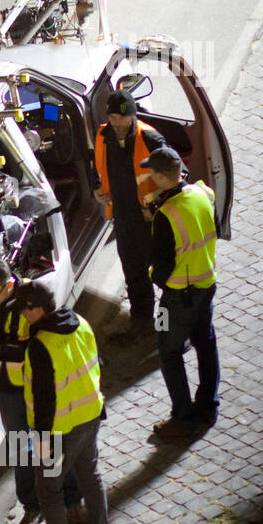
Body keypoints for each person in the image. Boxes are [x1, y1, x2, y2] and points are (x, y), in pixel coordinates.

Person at [0, 261, 82, 524]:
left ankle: (72, 501)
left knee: (52, 442)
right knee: (20, 447)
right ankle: (31, 505)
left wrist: (4, 348)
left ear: (9, 285)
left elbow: (44, 341)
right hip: (6, 388)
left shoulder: (31, 297)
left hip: (36, 385)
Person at [14, 281, 110, 524]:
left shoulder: (41, 345)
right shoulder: (80, 322)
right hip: (90, 415)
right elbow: (97, 364)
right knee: (90, 477)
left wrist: (41, 441)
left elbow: (44, 400)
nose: (23, 316)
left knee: (49, 491)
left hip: (59, 431)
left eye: (25, 310)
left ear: (37, 309)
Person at [142, 146, 221, 441]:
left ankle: (183, 419)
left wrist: (152, 275)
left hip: (175, 298)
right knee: (206, 344)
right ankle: (208, 407)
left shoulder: (166, 215)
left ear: (162, 178)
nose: (150, 176)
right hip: (206, 285)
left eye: (152, 173)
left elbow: (161, 265)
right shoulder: (203, 194)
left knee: (168, 351)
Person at [94, 89, 168, 343]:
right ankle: (141, 322)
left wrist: (156, 205)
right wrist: (99, 192)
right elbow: (101, 171)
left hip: (150, 220)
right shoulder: (104, 135)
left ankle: (167, 326)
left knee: (165, 276)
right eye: (113, 118)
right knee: (134, 273)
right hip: (123, 219)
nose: (117, 124)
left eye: (122, 119)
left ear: (133, 116)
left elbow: (178, 173)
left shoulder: (148, 137)